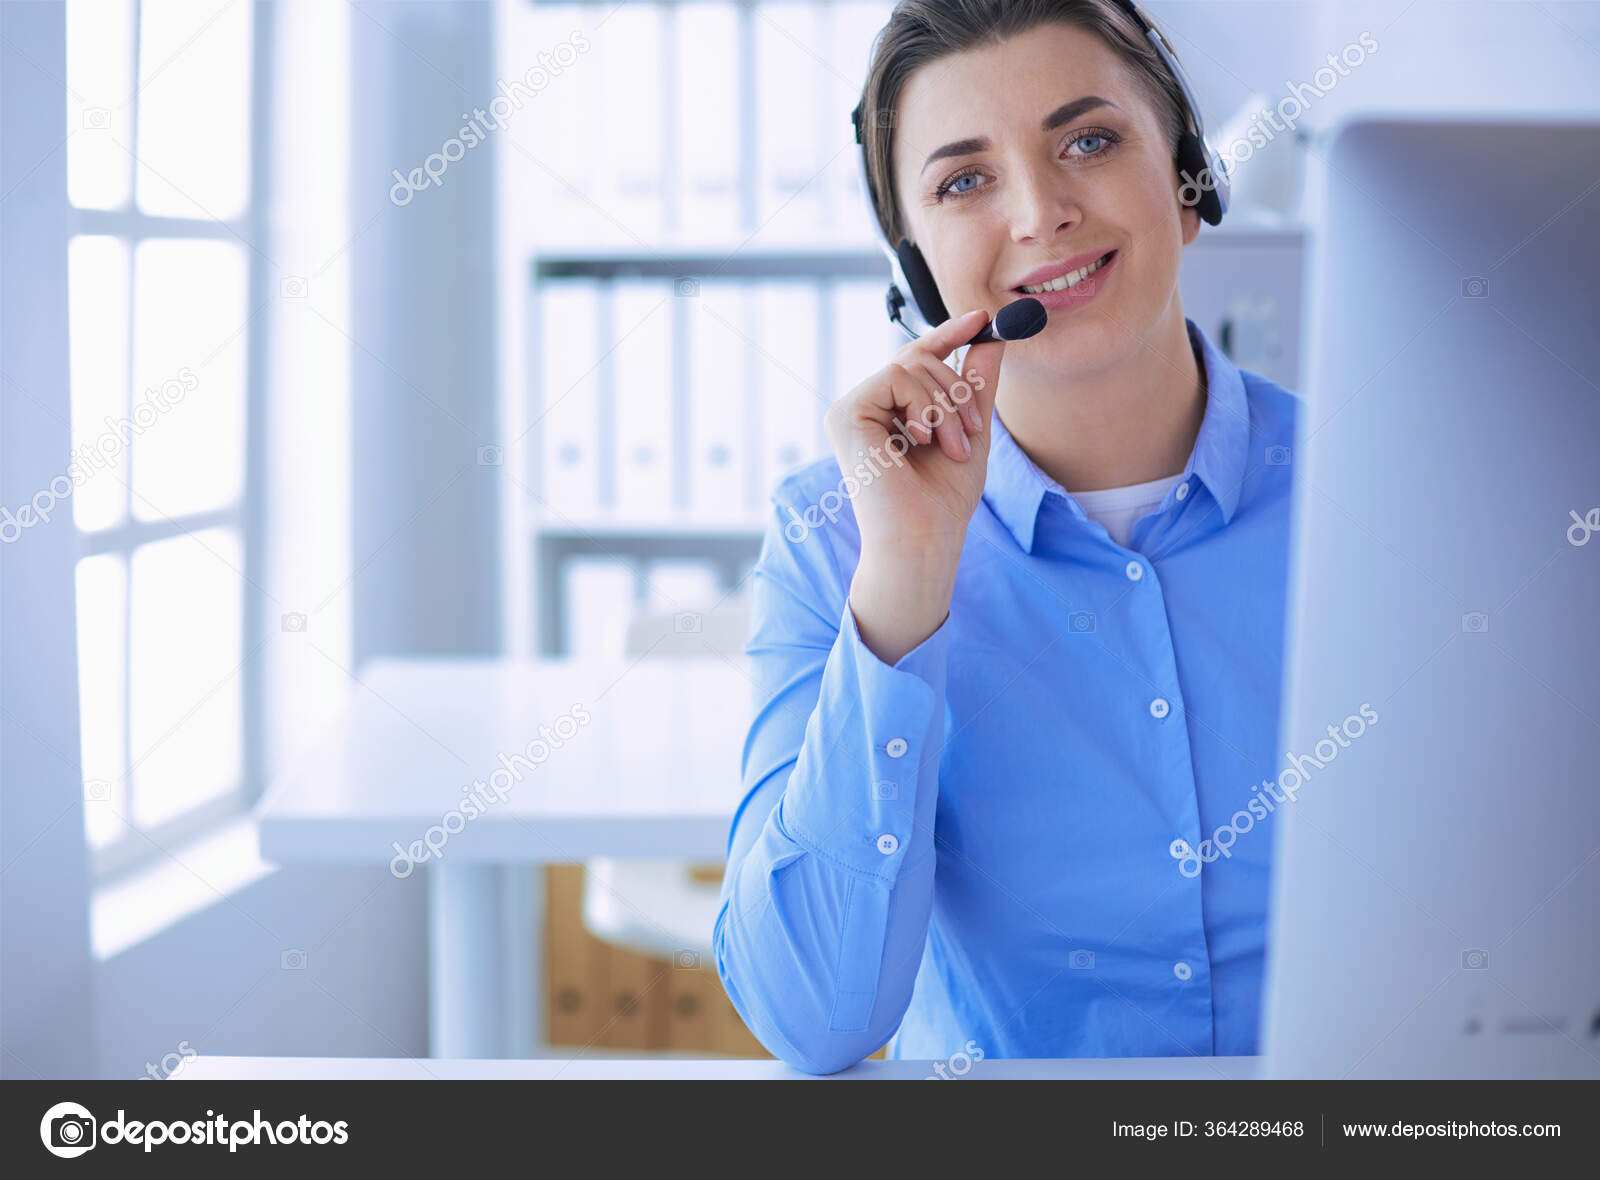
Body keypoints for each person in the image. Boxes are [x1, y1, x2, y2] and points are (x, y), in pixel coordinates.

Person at [714, 0, 1301, 1075]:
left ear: (1190, 181)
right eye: (963, 181)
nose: (1040, 213)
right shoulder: (832, 531)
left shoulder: (1372, 489)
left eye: (1088, 140)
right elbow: (812, 1020)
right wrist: (906, 578)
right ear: (914, 266)